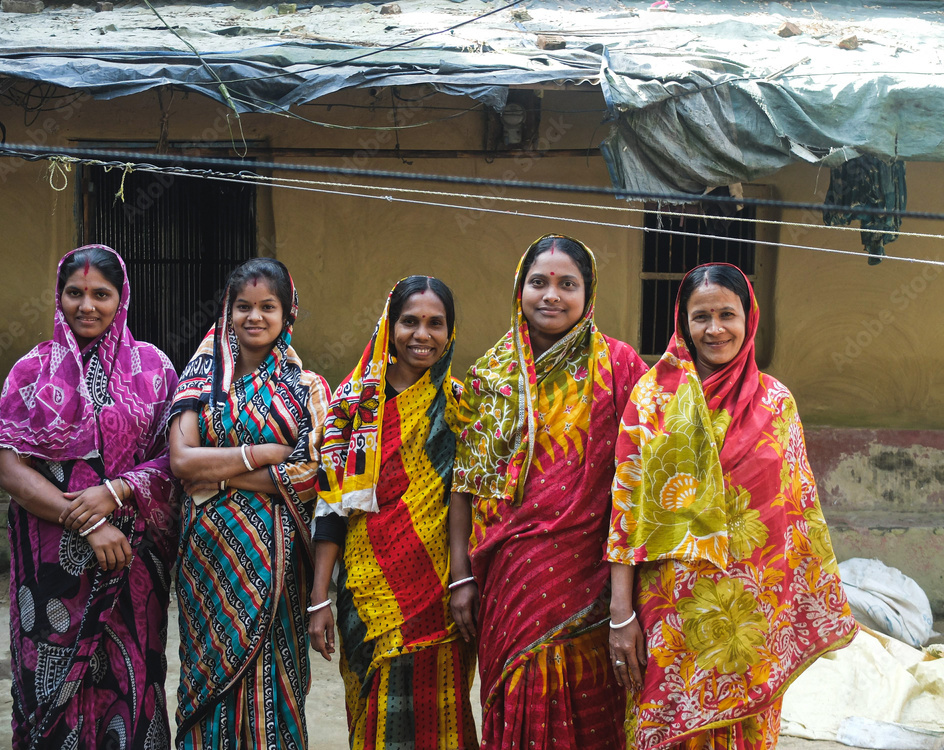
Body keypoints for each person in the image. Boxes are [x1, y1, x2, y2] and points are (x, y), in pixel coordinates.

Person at [605, 263, 857, 750]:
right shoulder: (653, 397)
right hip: (670, 610)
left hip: (752, 614)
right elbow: (626, 510)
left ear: (750, 319)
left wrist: (789, 612)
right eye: (701, 316)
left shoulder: (776, 402)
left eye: (727, 314)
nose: (715, 328)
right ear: (682, 322)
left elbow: (798, 517)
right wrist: (621, 615)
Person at [450, 234, 648, 750]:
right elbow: (466, 485)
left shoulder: (620, 367)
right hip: (510, 573)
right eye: (538, 282)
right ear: (520, 290)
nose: (551, 296)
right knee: (518, 691)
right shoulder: (492, 376)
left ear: (589, 294)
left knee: (591, 703)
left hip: (594, 573)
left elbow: (645, 473)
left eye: (567, 284)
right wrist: (460, 576)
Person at [0, 245, 179, 749]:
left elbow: (174, 458)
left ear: (122, 298)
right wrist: (85, 521)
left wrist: (116, 492)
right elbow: (8, 465)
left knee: (132, 676)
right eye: (74, 293)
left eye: (100, 294)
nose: (86, 305)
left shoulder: (153, 368)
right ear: (59, 297)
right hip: (50, 564)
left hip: (130, 561)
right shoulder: (33, 369)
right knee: (47, 685)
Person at [310, 276, 478, 750]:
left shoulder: (461, 405)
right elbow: (331, 505)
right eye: (409, 321)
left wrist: (466, 580)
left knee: (441, 715)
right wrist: (320, 597)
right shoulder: (354, 406)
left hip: (439, 593)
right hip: (366, 592)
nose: (421, 335)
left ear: (450, 332)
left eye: (435, 324)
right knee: (374, 715)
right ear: (389, 325)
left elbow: (469, 499)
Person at [169, 257, 330, 750]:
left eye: (268, 307)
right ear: (227, 311)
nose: (254, 317)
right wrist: (262, 455)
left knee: (275, 676)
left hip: (279, 568)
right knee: (208, 672)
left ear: (288, 313)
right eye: (243, 306)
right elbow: (181, 460)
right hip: (208, 561)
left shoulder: (307, 387)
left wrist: (220, 477)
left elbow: (310, 475)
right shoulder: (202, 379)